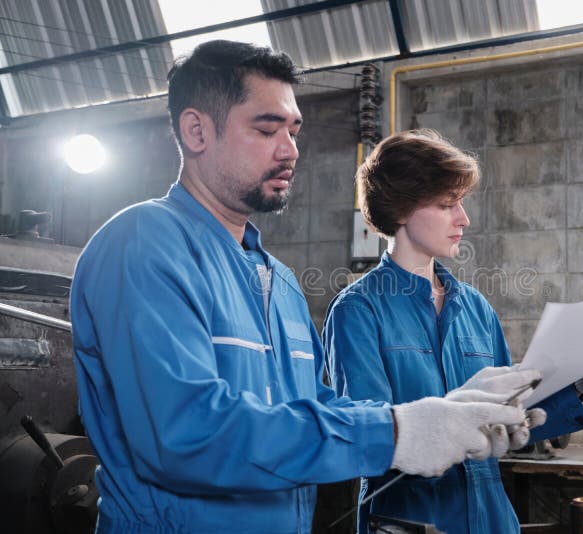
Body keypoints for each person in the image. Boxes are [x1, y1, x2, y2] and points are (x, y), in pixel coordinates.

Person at [69, 41, 531, 534]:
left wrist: (433, 414)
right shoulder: (144, 246)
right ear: (196, 130)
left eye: (293, 131)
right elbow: (187, 435)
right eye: (267, 129)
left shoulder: (281, 283)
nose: (290, 150)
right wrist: (394, 432)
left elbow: (318, 406)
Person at [323, 129, 583, 534]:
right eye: (448, 204)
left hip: (491, 519)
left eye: (461, 203)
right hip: (412, 519)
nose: (463, 218)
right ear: (400, 211)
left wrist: (579, 383)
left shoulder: (475, 308)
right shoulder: (358, 311)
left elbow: (513, 418)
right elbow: (365, 441)